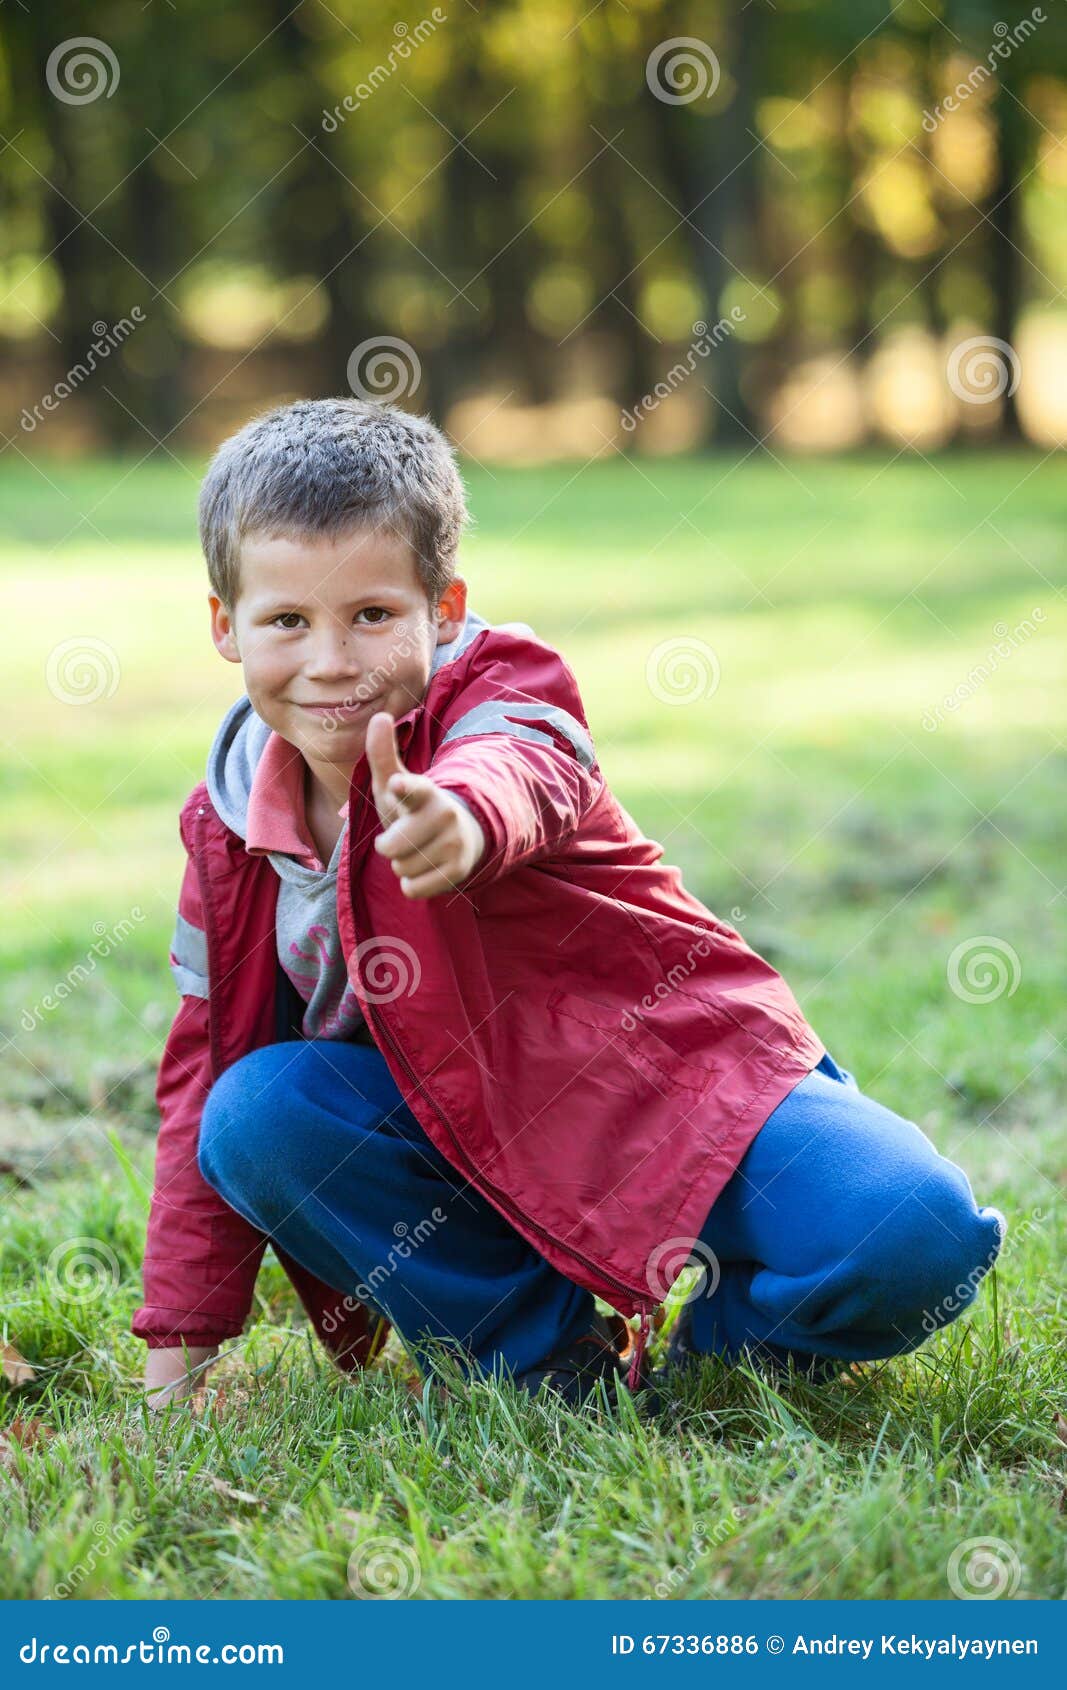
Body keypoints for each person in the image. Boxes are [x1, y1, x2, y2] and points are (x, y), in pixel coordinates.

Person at [136, 397, 1005, 1412]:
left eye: (372, 614)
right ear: (223, 627)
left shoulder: (507, 684)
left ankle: (719, 1361)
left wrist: (458, 821)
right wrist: (176, 1361)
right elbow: (202, 1074)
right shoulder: (225, 828)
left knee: (918, 1233)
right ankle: (542, 1367)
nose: (333, 661)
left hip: (676, 1080)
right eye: (287, 621)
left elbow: (524, 765)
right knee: (252, 1110)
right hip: (460, 1133)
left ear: (443, 610)